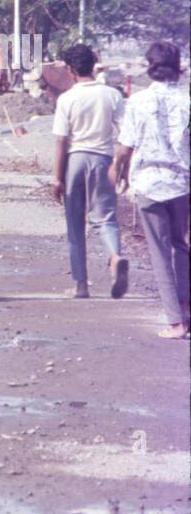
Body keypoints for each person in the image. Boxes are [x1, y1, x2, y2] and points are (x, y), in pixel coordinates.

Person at [110, 41, 190, 338]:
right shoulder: (188, 101)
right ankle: (185, 307)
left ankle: (175, 322)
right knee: (181, 244)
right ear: (177, 68)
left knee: (159, 253)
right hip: (181, 182)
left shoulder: (138, 102)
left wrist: (118, 172)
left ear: (150, 67)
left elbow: (126, 146)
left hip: (149, 183)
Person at [52, 43, 126, 299]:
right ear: (93, 66)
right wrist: (121, 165)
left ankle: (81, 285)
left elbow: (61, 140)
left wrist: (57, 178)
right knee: (106, 217)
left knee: (75, 223)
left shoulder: (67, 98)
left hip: (75, 160)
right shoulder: (111, 95)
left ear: (71, 70)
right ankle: (115, 257)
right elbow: (125, 134)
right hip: (104, 160)